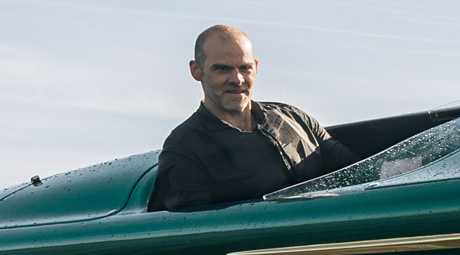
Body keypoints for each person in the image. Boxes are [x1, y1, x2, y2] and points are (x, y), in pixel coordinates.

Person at [148, 25, 356, 211]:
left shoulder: (294, 118)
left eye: (245, 67)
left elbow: (355, 173)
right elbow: (193, 234)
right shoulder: (186, 146)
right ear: (197, 71)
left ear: (256, 67)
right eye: (222, 69)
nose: (237, 79)